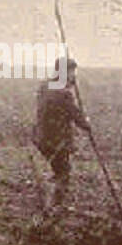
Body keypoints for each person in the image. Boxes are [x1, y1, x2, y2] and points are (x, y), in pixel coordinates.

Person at [33, 55, 90, 206]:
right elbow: (76, 116)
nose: (74, 75)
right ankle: (56, 206)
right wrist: (87, 124)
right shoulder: (64, 93)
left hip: (42, 138)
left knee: (57, 170)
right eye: (71, 72)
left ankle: (52, 202)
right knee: (63, 173)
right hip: (57, 141)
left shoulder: (45, 86)